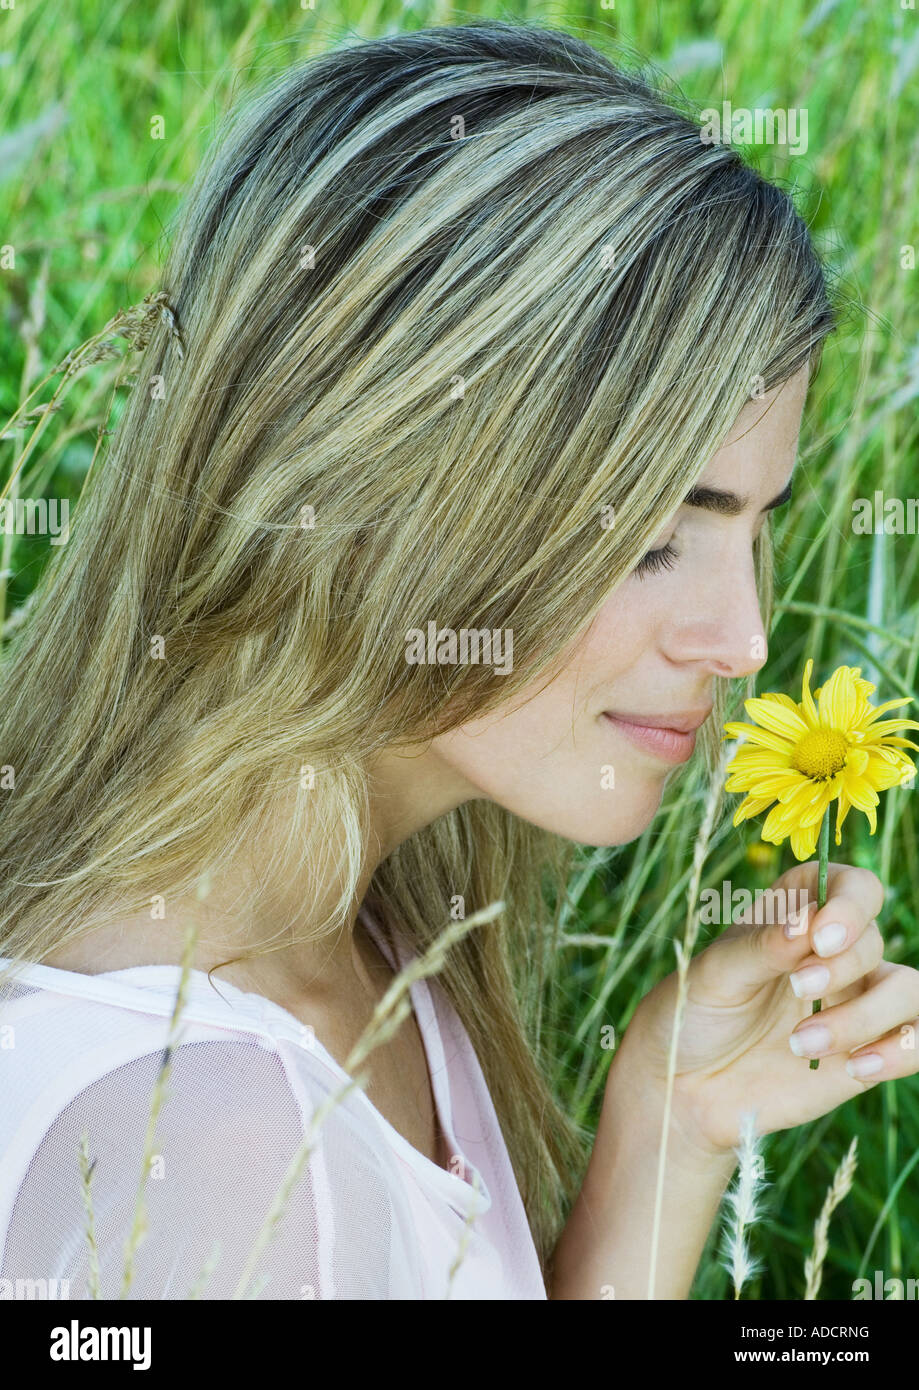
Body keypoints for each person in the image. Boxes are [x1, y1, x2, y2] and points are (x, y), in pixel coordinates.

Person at [1, 20, 916, 1301]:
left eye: (757, 530)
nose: (744, 637)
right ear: (378, 487)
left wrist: (669, 1123)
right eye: (657, 537)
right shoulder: (213, 1154)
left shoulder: (358, 947)